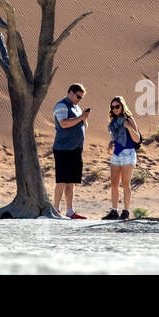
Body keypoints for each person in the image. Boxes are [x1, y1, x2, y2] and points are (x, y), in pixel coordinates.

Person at [52, 83, 91, 219]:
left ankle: (70, 211)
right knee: (62, 180)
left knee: (71, 182)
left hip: (75, 149)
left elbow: (81, 124)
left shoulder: (76, 107)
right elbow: (63, 123)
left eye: (81, 97)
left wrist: (83, 118)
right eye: (78, 96)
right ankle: (56, 210)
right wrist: (81, 118)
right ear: (71, 93)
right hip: (63, 148)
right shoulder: (62, 105)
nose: (79, 99)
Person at [104, 95, 142, 220]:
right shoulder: (113, 122)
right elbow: (116, 137)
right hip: (116, 154)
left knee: (125, 183)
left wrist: (128, 126)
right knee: (114, 183)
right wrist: (111, 142)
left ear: (122, 106)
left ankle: (125, 212)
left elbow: (137, 138)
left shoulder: (129, 119)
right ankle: (114, 211)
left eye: (117, 106)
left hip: (128, 154)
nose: (115, 109)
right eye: (113, 107)